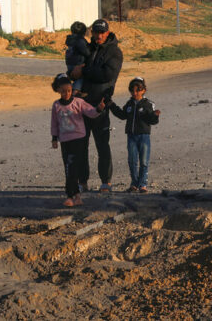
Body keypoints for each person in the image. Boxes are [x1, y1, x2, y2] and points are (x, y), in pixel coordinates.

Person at [69, 19, 123, 193]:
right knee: (81, 146)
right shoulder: (88, 48)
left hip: (101, 104)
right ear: (91, 33)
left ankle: (106, 182)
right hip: (82, 105)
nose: (99, 36)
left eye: (102, 33)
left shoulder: (114, 52)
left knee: (102, 145)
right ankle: (82, 182)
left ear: (107, 33)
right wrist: (73, 73)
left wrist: (84, 71)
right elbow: (74, 69)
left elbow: (107, 75)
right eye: (96, 32)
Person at [50, 73, 105, 207]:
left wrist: (99, 109)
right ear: (58, 90)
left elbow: (91, 112)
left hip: (79, 139)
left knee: (73, 167)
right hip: (65, 141)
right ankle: (75, 196)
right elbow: (54, 123)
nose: (67, 93)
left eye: (69, 90)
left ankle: (72, 196)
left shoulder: (78, 102)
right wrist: (54, 138)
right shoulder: (56, 105)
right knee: (69, 168)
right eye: (63, 91)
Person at [107, 77, 160, 193]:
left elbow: (152, 120)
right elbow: (122, 115)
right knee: (132, 161)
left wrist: (155, 116)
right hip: (131, 136)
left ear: (143, 90)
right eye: (132, 90)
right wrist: (111, 105)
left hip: (144, 136)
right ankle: (134, 184)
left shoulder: (148, 104)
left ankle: (143, 185)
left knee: (144, 161)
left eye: (137, 90)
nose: (134, 93)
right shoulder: (129, 103)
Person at [65, 21, 92, 95]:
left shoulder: (70, 39)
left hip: (69, 63)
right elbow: (86, 52)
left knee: (76, 77)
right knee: (81, 77)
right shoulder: (79, 40)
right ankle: (75, 91)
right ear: (84, 32)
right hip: (77, 63)